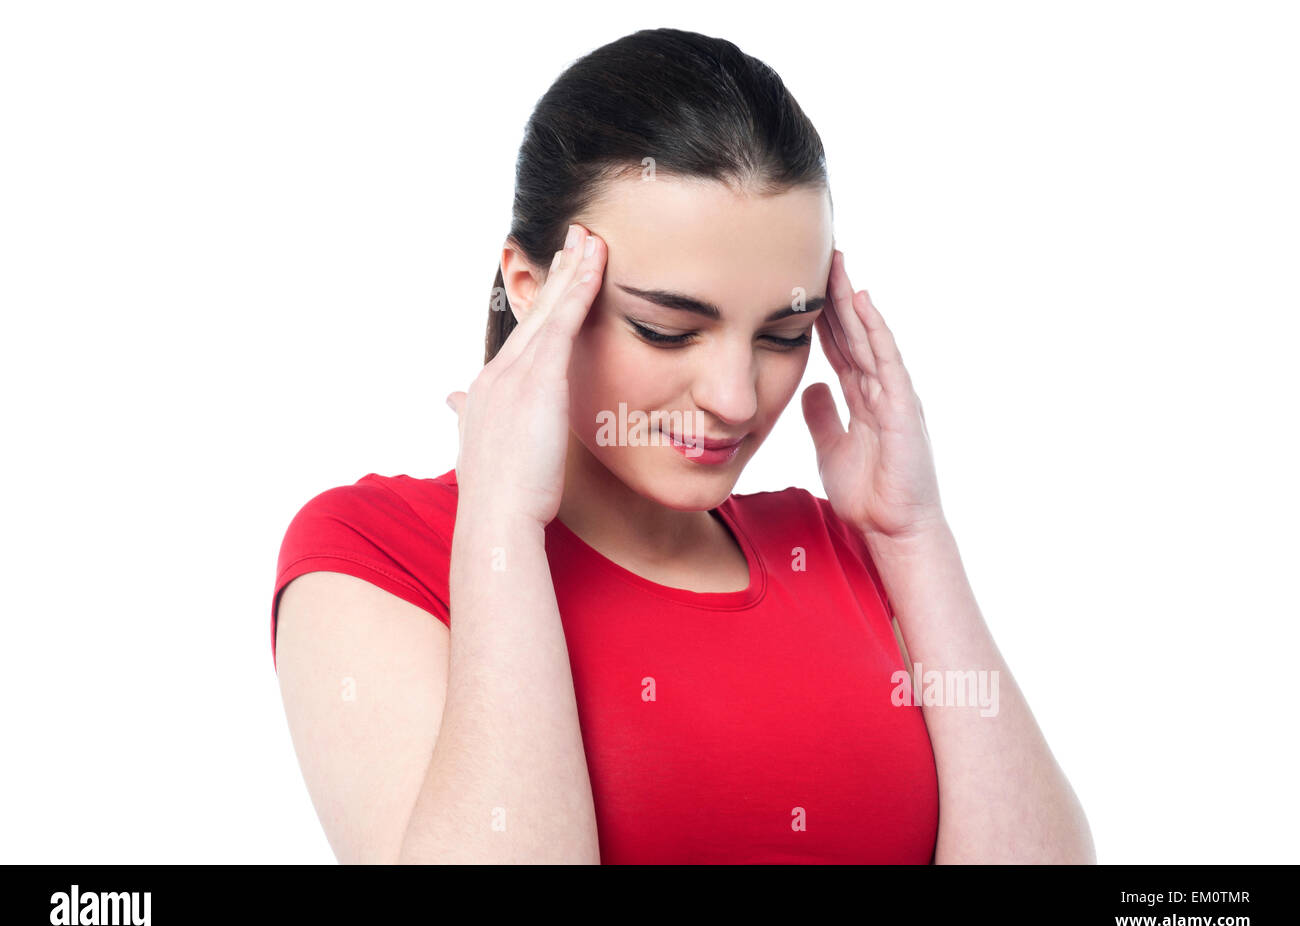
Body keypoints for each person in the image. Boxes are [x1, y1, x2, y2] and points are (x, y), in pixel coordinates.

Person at [270, 27, 1095, 865]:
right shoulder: (376, 552)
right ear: (533, 291)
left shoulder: (842, 549)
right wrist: (501, 528)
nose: (736, 398)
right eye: (667, 330)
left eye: (784, 334)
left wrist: (913, 536)